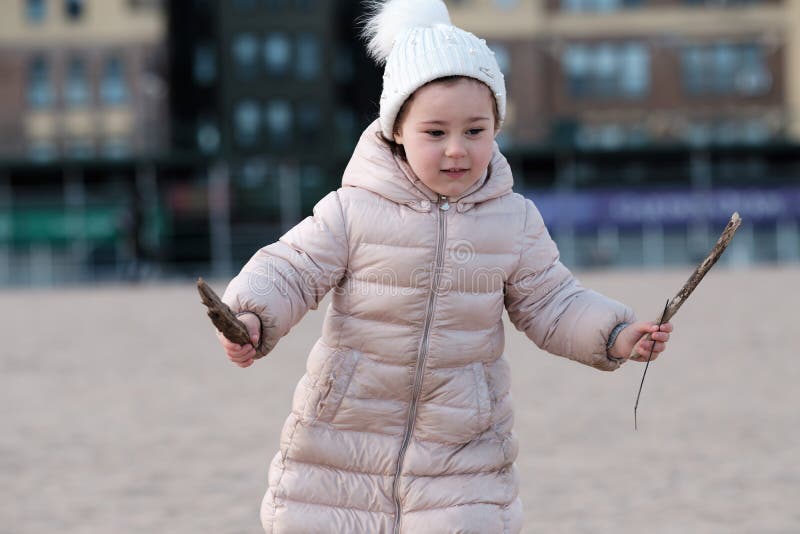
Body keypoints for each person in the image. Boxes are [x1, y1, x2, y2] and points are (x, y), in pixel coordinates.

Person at [217, 1, 673, 532]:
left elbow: (553, 301)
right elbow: (291, 268)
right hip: (344, 434)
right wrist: (249, 316)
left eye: (475, 131)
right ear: (396, 132)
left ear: (495, 130)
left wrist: (616, 333)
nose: (456, 149)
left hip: (463, 444)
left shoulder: (514, 221)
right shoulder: (352, 210)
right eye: (435, 133)